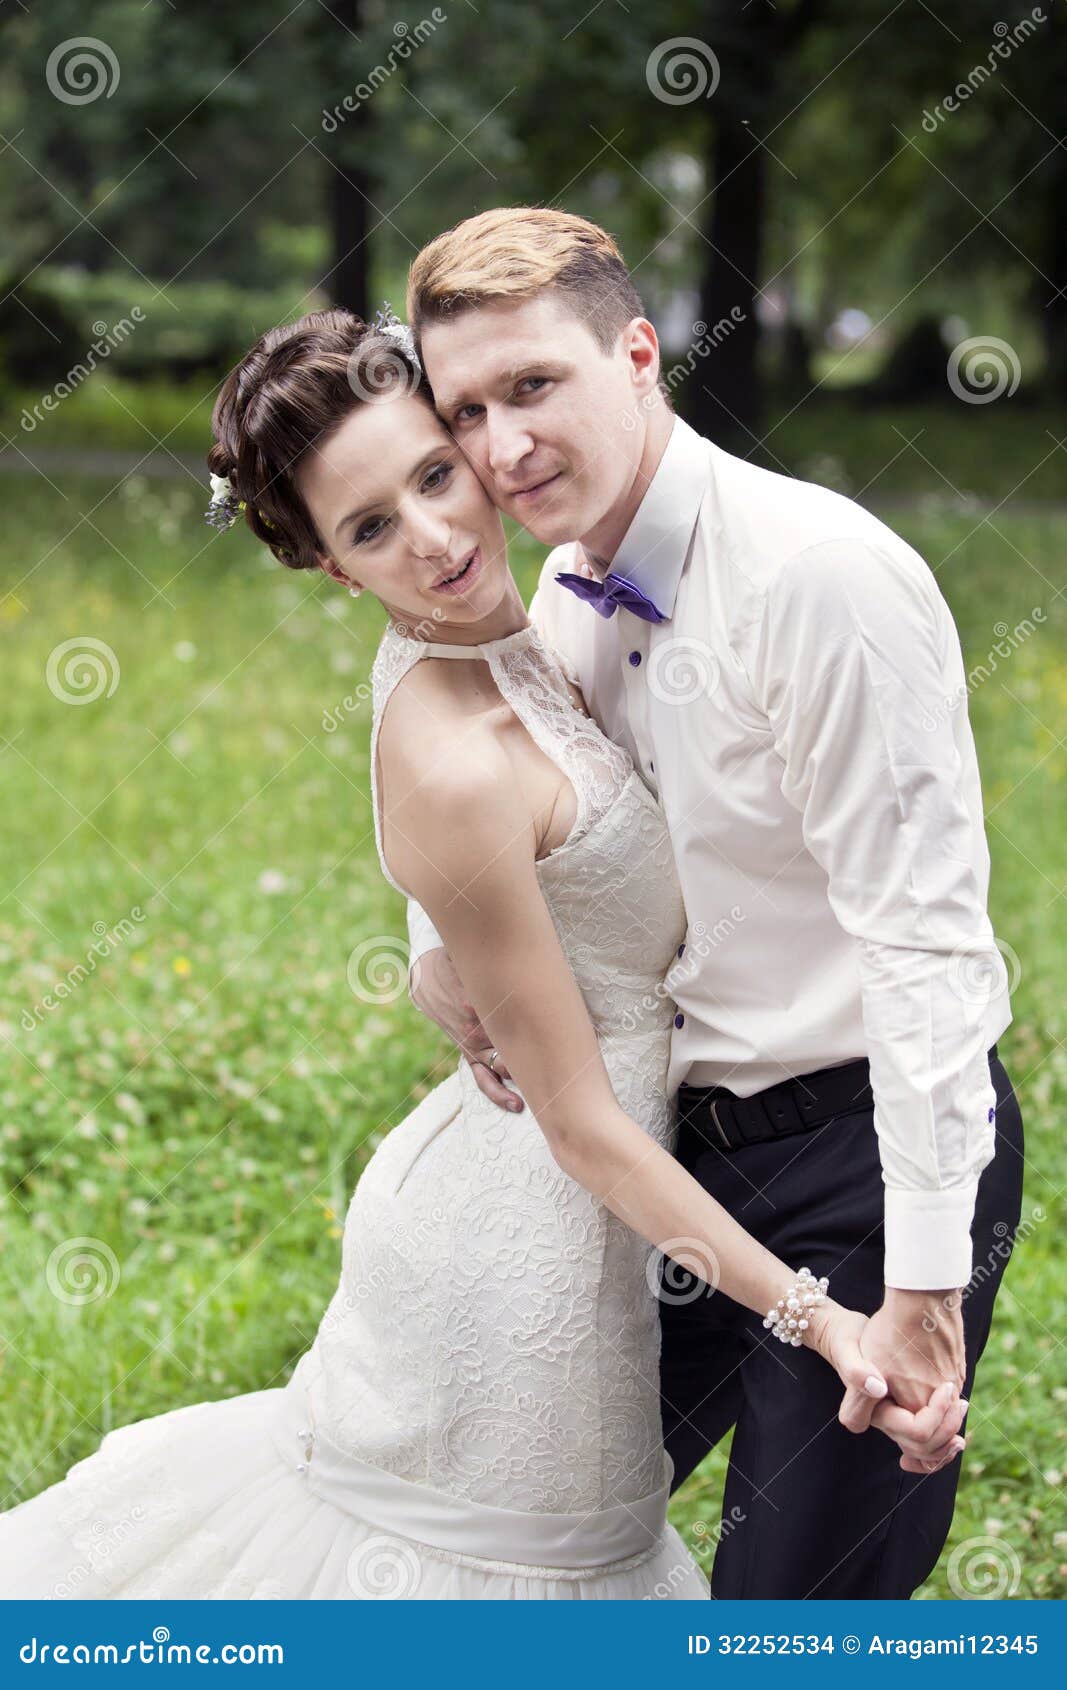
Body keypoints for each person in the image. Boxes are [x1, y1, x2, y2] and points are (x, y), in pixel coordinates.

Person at [0, 309, 962, 1602]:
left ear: (468, 439)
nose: (438, 537)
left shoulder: (539, 607)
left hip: (612, 1203)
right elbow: (578, 1122)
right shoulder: (450, 749)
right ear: (337, 570)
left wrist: (429, 949)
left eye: (434, 475)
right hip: (526, 1246)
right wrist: (820, 1316)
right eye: (371, 528)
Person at [400, 208, 1025, 1599]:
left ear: (637, 353)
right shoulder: (557, 597)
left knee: (789, 1620)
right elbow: (501, 821)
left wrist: (922, 1282)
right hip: (671, 1158)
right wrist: (441, 962)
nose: (503, 449)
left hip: (866, 1156)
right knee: (505, 1523)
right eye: (469, 411)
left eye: (535, 386)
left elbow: (924, 943)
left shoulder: (821, 580)